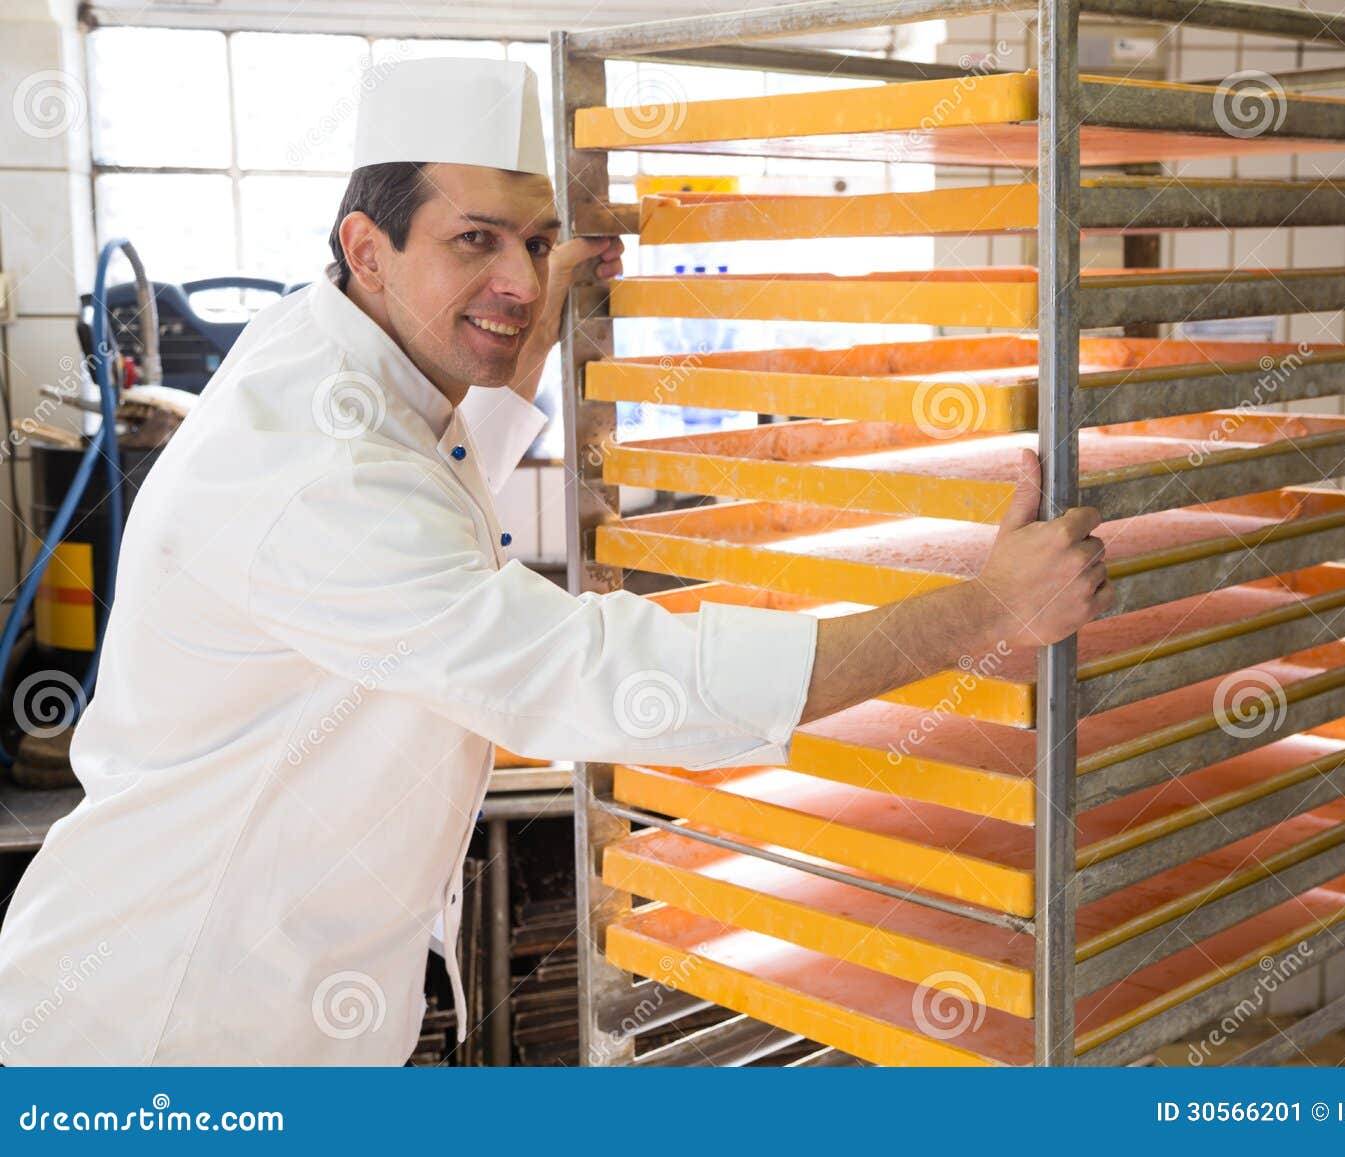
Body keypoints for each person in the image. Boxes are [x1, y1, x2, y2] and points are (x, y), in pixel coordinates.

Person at [0, 58, 1109, 1065]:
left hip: (269, 1006)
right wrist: (985, 610)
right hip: (163, 1030)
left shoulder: (337, 363)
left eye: (533, 242)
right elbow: (591, 675)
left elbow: (439, 465)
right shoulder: (315, 469)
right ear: (364, 247)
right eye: (475, 239)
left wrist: (528, 303)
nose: (521, 278)